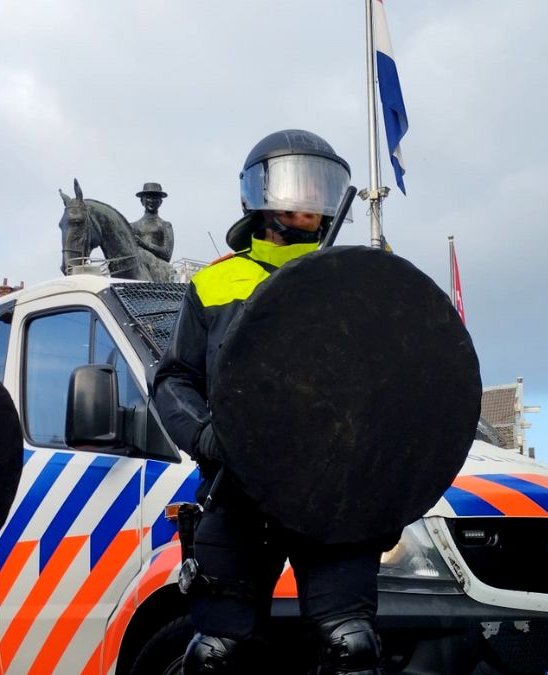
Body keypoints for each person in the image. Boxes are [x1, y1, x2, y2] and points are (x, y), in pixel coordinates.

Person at [153, 130, 383, 674]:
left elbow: (392, 384)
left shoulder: (357, 278)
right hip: (239, 489)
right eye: (295, 181)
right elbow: (174, 378)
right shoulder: (215, 283)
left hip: (333, 497)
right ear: (257, 194)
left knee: (353, 646)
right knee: (217, 654)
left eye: (320, 184)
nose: (308, 197)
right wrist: (206, 435)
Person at [132, 181, 175, 262]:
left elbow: (167, 255)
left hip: (160, 267)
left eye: (155, 197)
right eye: (148, 197)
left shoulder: (166, 225)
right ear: (142, 201)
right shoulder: (132, 226)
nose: (151, 201)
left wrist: (145, 245)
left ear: (160, 202)